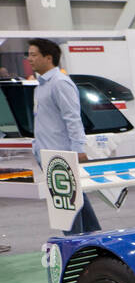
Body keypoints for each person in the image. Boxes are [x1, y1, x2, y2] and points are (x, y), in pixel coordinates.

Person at [27, 38, 99, 234]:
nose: (29, 59)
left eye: (34, 55)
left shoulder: (60, 83)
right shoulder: (40, 86)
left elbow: (73, 118)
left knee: (67, 212)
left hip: (62, 157)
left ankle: (76, 251)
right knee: (77, 204)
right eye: (29, 54)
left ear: (48, 58)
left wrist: (78, 149)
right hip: (49, 156)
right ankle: (95, 239)